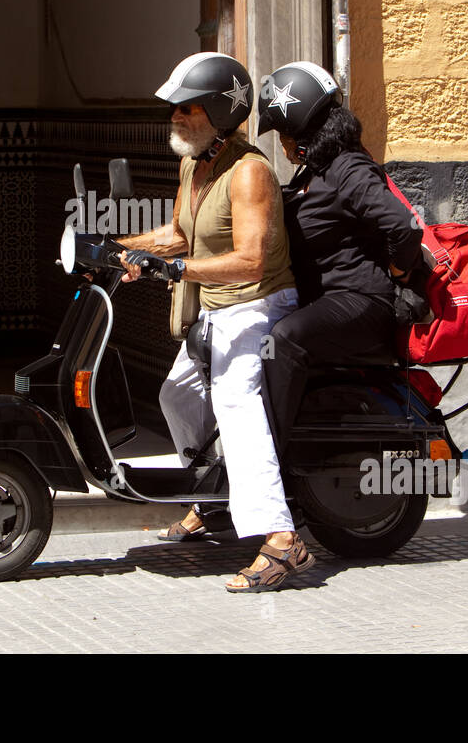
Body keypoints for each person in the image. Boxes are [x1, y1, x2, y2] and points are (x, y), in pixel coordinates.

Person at [117, 51, 316, 594]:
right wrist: (119, 249)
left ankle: (280, 539)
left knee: (235, 403)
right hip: (215, 307)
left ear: (220, 114)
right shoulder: (194, 164)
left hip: (256, 305)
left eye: (188, 109)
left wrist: (176, 269)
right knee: (177, 397)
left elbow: (251, 258)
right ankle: (214, 497)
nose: (176, 118)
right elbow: (181, 234)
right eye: (175, 109)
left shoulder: (250, 172)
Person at [256, 61, 425, 450]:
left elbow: (405, 226)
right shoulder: (314, 172)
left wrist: (399, 273)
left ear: (303, 132)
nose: (281, 145)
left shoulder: (347, 167)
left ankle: (268, 470)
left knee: (284, 340)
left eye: (283, 134)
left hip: (360, 302)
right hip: (326, 301)